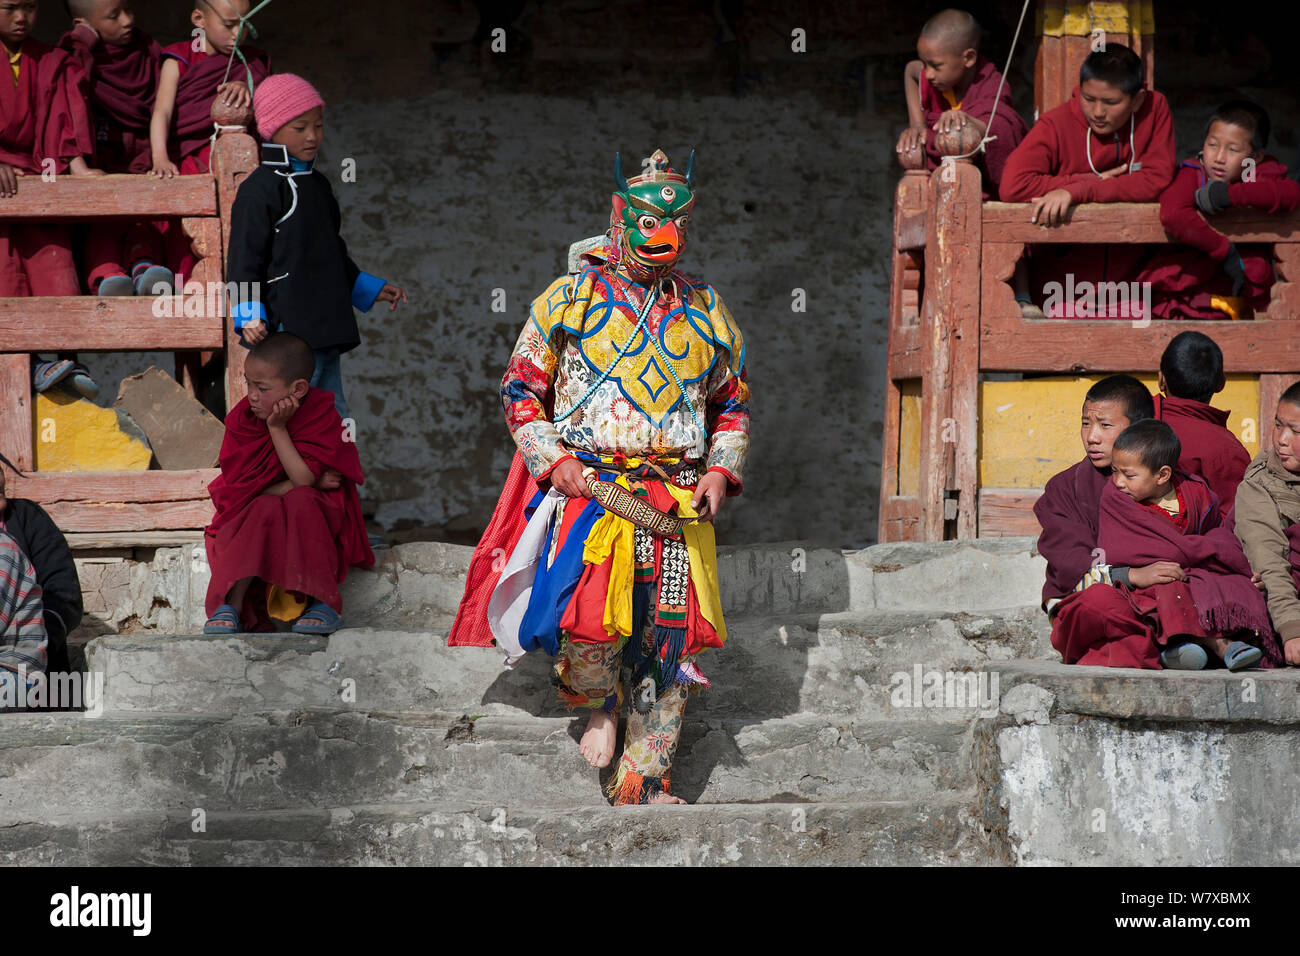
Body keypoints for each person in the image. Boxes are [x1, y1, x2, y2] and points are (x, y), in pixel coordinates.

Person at [448, 148, 750, 806]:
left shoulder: (707, 310)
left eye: (674, 223)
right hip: (592, 489)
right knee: (587, 625)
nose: (659, 237)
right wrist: (555, 461)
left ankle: (645, 781)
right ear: (621, 220)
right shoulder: (569, 299)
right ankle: (600, 705)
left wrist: (722, 471)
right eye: (646, 220)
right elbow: (519, 390)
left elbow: (732, 404)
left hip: (674, 501)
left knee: (670, 641)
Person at [225, 73, 406, 420]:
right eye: (299, 128)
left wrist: (367, 287)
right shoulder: (260, 189)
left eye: (318, 126)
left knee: (330, 412)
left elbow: (331, 252)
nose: (312, 136)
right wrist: (249, 312)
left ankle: (329, 475)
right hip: (285, 329)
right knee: (289, 414)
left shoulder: (318, 185)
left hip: (324, 326)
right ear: (271, 129)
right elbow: (244, 259)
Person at [203, 332, 373, 635]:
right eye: (248, 383)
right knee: (262, 507)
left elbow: (304, 483)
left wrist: (277, 428)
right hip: (257, 509)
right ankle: (232, 604)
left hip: (312, 512)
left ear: (298, 389)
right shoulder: (241, 420)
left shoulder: (321, 413)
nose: (252, 395)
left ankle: (322, 601)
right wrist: (295, 484)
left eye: (262, 387)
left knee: (303, 500)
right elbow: (240, 492)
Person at [1000, 44, 1175, 318]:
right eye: (1088, 98)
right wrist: (1082, 180)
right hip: (1062, 288)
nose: (1097, 112)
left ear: (1138, 99)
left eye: (1111, 102)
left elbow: (1157, 180)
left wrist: (1080, 191)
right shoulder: (1056, 125)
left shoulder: (1154, 110)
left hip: (1132, 284)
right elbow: (1013, 185)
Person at [1096, 419, 1273, 671]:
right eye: (1115, 471)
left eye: (1129, 475)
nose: (1118, 482)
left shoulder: (1195, 491)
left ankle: (1180, 649)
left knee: (1236, 584)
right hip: (1148, 583)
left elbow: (1217, 535)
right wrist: (1143, 572)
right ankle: (1220, 646)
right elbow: (1118, 551)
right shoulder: (1115, 499)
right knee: (1166, 586)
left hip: (1196, 571)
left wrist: (1224, 559)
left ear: (1163, 475)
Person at [0, 0, 102, 397]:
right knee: (5, 273)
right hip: (4, 183)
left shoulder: (48, 60)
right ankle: (29, 365)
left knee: (55, 268)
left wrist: (76, 167)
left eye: (30, 7)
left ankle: (65, 358)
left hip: (39, 175)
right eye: (10, 8)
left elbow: (62, 117)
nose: (22, 18)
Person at [1142, 100, 1300, 321]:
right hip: (1194, 288)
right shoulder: (1195, 172)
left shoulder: (1254, 173)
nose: (1219, 158)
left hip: (1243, 293)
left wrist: (1229, 196)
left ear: (1255, 158)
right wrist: (1224, 250)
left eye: (1233, 149)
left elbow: (1290, 194)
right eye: (1212, 145)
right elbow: (1173, 213)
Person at [60, 0, 174, 298]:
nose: (127, 21)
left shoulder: (146, 48)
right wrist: (83, 42)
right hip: (101, 156)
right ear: (83, 23)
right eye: (114, 16)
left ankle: (144, 267)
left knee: (145, 216)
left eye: (128, 10)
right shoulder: (75, 55)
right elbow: (68, 91)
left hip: (141, 153)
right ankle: (106, 275)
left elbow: (160, 103)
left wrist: (158, 154)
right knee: (103, 218)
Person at [896, 8, 1027, 198]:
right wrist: (916, 124)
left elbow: (997, 126)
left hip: (978, 187)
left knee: (955, 134)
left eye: (935, 66)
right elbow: (911, 71)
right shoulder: (934, 78)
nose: (928, 74)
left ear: (968, 58)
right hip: (941, 184)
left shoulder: (992, 85)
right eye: (925, 64)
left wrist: (966, 121)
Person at [0, 452, 83, 682]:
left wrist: (35, 634)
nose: (3, 502)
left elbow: (66, 594)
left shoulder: (26, 520)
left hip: (28, 667)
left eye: (2, 491)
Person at [1234, 382, 1300, 666]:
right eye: (1277, 425)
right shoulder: (1260, 485)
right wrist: (1292, 630)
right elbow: (1269, 562)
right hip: (1284, 606)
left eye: (1295, 431)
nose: (1281, 439)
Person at [1154, 331, 1250, 517]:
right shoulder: (1228, 451)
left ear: (1161, 379)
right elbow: (1236, 522)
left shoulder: (1133, 418)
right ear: (1221, 383)